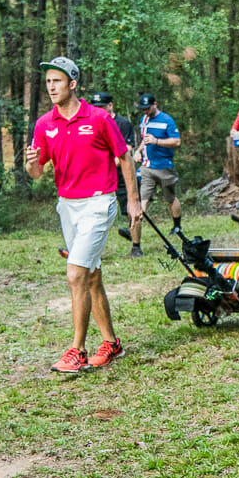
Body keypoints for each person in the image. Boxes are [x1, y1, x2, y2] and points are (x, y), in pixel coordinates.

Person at [25, 57, 143, 372]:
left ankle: (77, 350)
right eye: (48, 81)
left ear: (73, 84)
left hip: (98, 201)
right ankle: (111, 343)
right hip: (67, 204)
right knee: (91, 276)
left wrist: (133, 201)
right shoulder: (44, 124)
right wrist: (31, 162)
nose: (51, 87)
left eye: (57, 81)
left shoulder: (100, 118)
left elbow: (125, 157)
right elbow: (37, 172)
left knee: (75, 274)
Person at [130, 93, 182, 256]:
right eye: (143, 109)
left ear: (155, 104)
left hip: (165, 167)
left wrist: (157, 141)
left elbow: (176, 142)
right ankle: (135, 234)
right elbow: (144, 140)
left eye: (147, 108)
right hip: (147, 167)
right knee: (142, 201)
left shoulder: (167, 120)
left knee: (170, 198)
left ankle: (177, 225)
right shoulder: (144, 120)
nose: (145, 112)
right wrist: (138, 152)